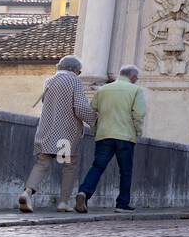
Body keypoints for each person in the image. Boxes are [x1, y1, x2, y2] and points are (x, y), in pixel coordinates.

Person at [18, 55, 96, 213]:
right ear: (75, 70)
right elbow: (80, 107)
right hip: (65, 136)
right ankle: (63, 202)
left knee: (42, 163)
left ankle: (27, 193)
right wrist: (94, 120)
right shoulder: (74, 80)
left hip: (45, 132)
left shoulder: (49, 81)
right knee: (68, 165)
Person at [75, 64, 146, 213]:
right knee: (125, 171)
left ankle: (84, 192)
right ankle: (122, 204)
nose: (136, 79)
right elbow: (139, 114)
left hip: (104, 135)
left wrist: (95, 129)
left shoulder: (103, 90)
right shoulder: (136, 90)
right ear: (132, 77)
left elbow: (92, 110)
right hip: (125, 136)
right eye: (136, 77)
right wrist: (138, 132)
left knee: (97, 167)